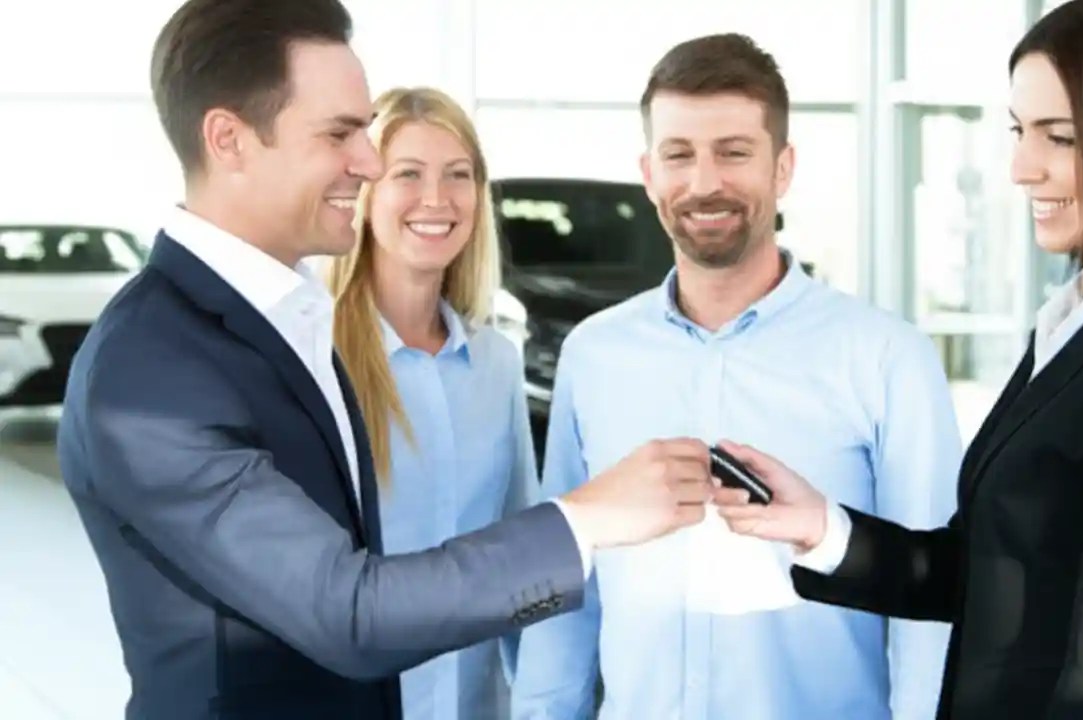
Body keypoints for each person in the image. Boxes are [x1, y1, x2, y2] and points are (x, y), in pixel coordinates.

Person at [55, 1, 713, 718]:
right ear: (229, 139)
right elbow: (348, 612)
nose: (366, 163)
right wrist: (588, 518)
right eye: (341, 133)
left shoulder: (291, 322)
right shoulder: (149, 372)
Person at [712, 1, 1083, 718]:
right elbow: (990, 575)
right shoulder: (1075, 329)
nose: (1019, 168)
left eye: (1061, 138)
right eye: (1019, 131)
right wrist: (820, 526)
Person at [511, 33, 962, 720]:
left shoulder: (887, 358)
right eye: (679, 155)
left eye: (734, 152)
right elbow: (569, 579)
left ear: (783, 168)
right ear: (649, 171)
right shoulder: (594, 355)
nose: (704, 183)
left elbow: (930, 610)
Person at [324, 86, 536, 720]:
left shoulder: (496, 365)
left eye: (458, 175)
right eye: (408, 174)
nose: (437, 199)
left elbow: (524, 555)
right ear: (366, 191)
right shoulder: (314, 360)